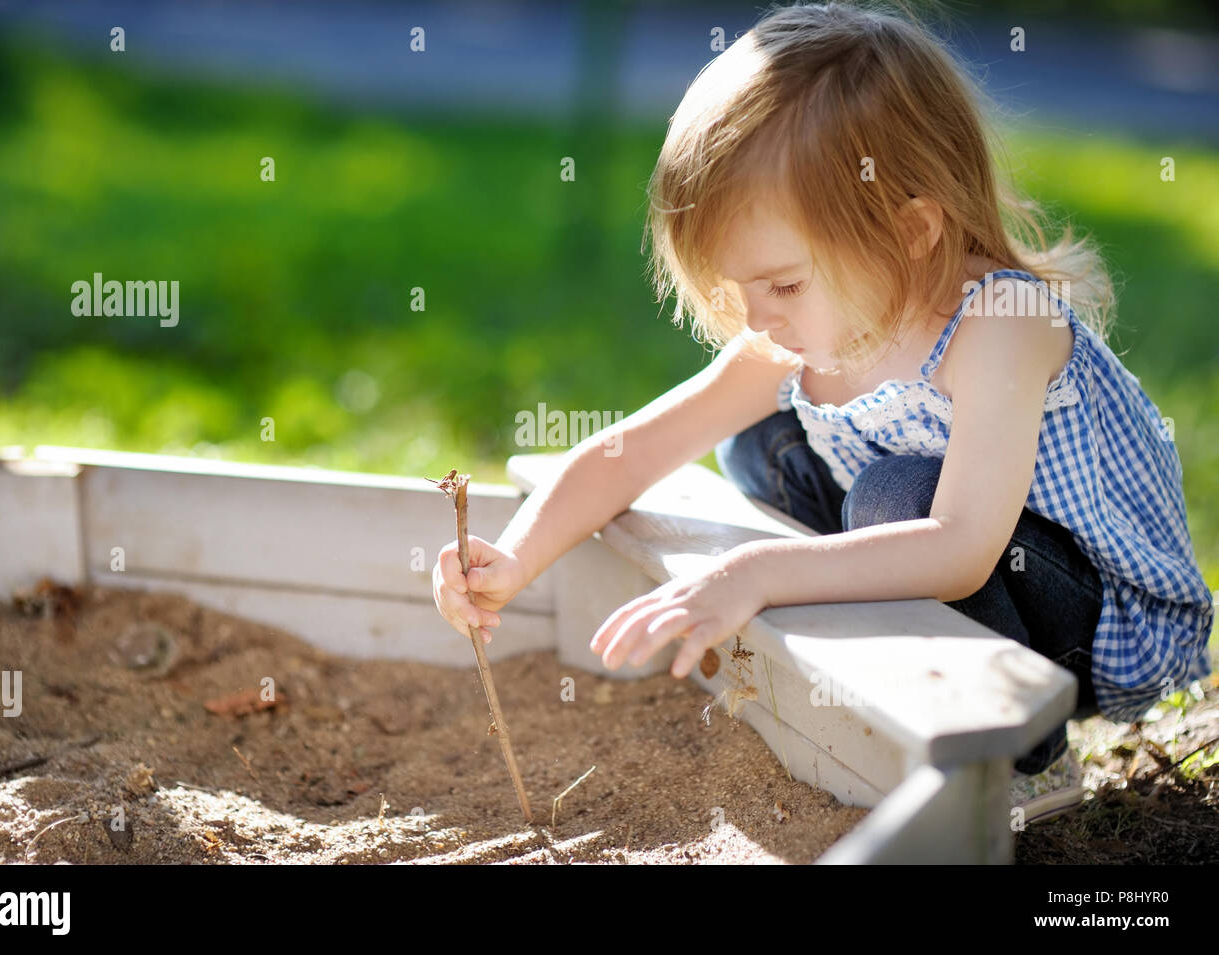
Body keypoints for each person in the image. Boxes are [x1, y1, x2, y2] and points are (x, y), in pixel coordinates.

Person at [432, 1, 1213, 821]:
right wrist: (514, 561)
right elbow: (632, 451)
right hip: (953, 550)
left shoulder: (999, 326)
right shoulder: (799, 332)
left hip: (1088, 624)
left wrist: (758, 572)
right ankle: (857, 613)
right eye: (736, 290)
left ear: (910, 229)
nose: (756, 317)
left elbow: (961, 550)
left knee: (891, 497)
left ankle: (1025, 757)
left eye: (784, 285)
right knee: (759, 440)